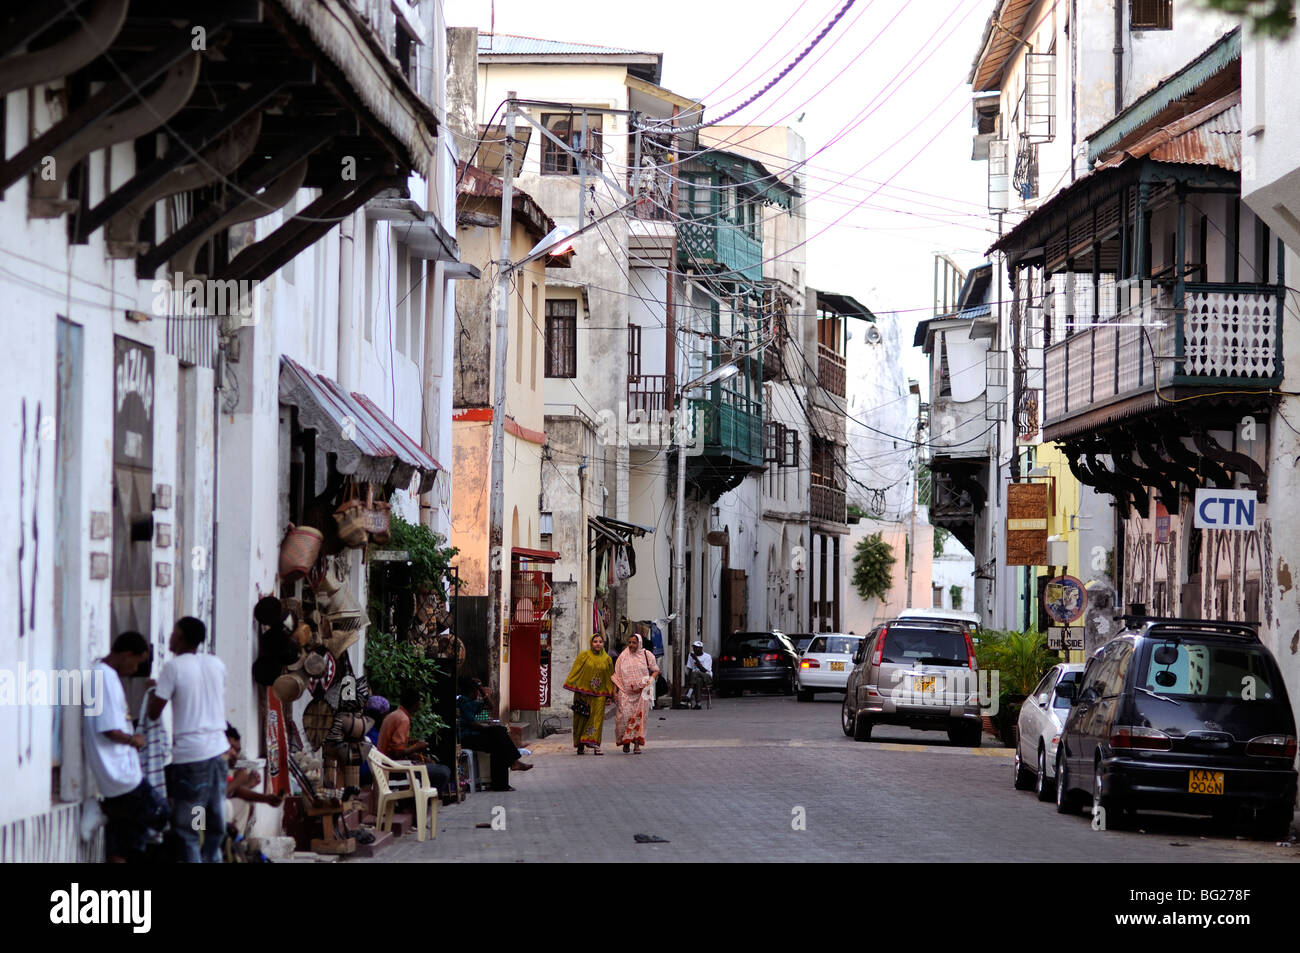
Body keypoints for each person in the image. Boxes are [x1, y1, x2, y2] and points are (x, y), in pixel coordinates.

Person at [148, 616, 228, 863]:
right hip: (218, 754)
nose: (170, 636)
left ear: (181, 638)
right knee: (212, 821)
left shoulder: (173, 668)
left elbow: (153, 711)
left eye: (173, 632)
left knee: (190, 828)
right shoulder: (216, 664)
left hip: (192, 761)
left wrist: (153, 689)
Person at [84, 631, 166, 862]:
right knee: (159, 813)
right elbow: (108, 729)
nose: (135, 670)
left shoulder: (103, 676)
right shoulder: (104, 677)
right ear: (127, 654)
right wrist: (134, 740)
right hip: (120, 773)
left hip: (116, 772)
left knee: (126, 840)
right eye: (137, 663)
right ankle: (105, 811)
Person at [377, 686, 455, 802]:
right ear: (416, 703)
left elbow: (396, 748)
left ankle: (416, 802)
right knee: (443, 772)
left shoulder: (394, 715)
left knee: (436, 767)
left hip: (388, 764)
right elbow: (398, 752)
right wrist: (417, 747)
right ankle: (418, 803)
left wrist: (418, 756)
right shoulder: (403, 719)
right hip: (393, 769)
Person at [457, 677, 532, 791]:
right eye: (477, 691)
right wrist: (488, 728)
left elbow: (490, 706)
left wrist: (482, 691)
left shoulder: (472, 702)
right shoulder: (463, 701)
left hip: (475, 736)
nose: (478, 694)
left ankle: (501, 784)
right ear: (472, 691)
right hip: (467, 738)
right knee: (499, 732)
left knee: (499, 743)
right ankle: (513, 763)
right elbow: (472, 724)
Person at [223, 725, 282, 855]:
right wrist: (238, 782)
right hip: (196, 815)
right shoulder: (206, 763)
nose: (234, 754)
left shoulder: (223, 768)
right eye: (230, 748)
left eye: (237, 750)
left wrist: (266, 799)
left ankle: (231, 851)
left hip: (207, 815)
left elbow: (234, 792)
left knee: (241, 803)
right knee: (199, 836)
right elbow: (210, 799)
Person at [563, 633, 615, 755]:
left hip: (600, 695)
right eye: (595, 641)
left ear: (603, 644)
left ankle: (596, 745)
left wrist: (609, 694)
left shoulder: (607, 659)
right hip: (583, 694)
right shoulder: (584, 656)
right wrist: (576, 687)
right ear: (591, 643)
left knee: (597, 719)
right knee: (581, 718)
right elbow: (576, 671)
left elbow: (609, 677)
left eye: (600, 642)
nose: (598, 644)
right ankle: (580, 744)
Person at [612, 632, 659, 753]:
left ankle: (636, 744)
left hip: (642, 693)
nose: (631, 645)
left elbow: (655, 670)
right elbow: (617, 675)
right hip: (625, 692)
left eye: (634, 642)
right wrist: (614, 692)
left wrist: (650, 680)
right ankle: (626, 741)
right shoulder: (623, 656)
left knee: (639, 718)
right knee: (624, 718)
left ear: (639, 643)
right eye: (630, 642)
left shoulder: (646, 655)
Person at [684, 640, 713, 709]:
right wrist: (688, 680)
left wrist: (696, 659)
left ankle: (689, 694)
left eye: (698, 648)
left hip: (707, 676)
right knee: (698, 681)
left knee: (695, 673)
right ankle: (698, 704)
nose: (696, 649)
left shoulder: (707, 656)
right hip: (695, 678)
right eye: (695, 647)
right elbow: (690, 668)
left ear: (701, 648)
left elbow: (704, 670)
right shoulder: (691, 655)